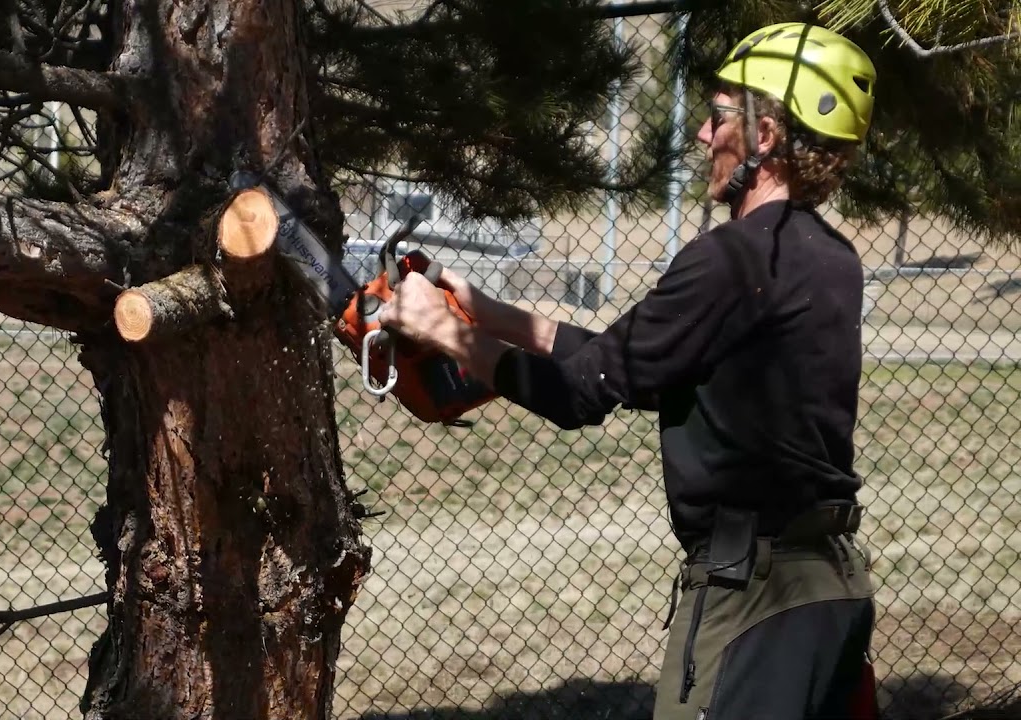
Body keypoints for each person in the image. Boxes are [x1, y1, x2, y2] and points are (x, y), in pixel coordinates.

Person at [378, 21, 882, 720]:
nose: (704, 136)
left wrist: (440, 331)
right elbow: (639, 366)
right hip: (832, 589)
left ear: (765, 135)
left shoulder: (728, 259)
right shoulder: (829, 260)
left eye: (718, 116)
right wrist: (491, 317)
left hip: (755, 595)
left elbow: (581, 395)